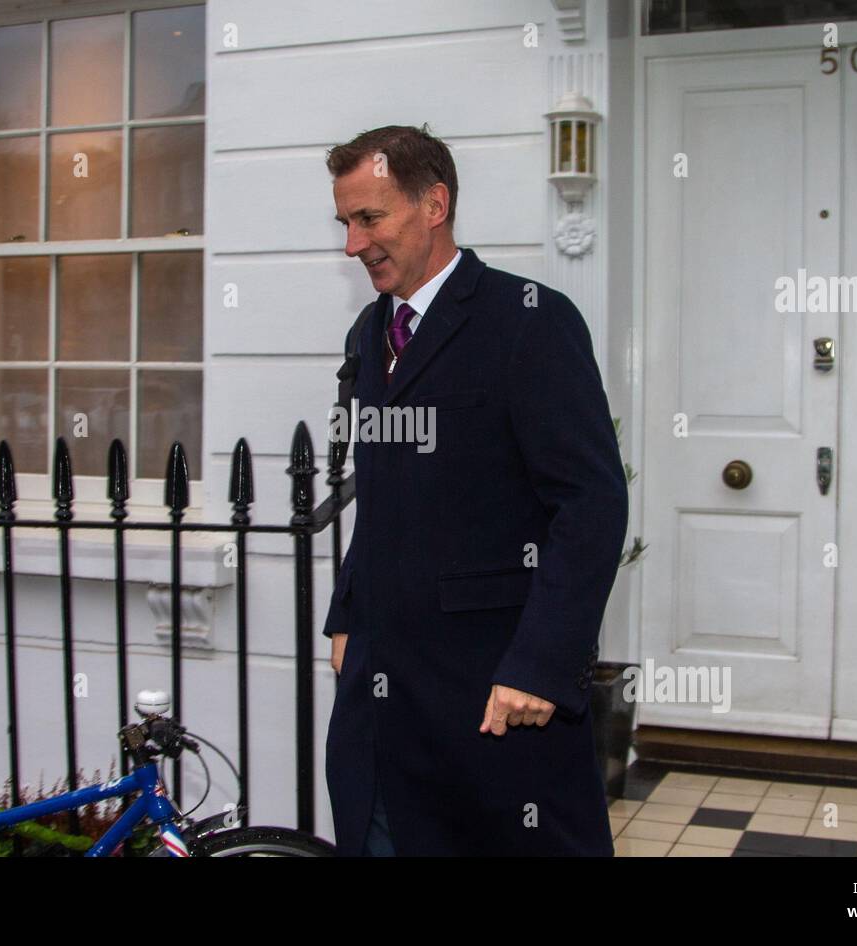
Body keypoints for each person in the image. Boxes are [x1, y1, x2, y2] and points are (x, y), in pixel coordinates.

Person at [323, 124, 628, 856]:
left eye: (370, 218)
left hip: (493, 699)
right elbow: (385, 496)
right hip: (381, 699)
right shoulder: (370, 334)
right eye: (345, 223)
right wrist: (347, 613)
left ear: (435, 204)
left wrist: (539, 668)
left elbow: (589, 503)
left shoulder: (530, 320)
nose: (353, 244)